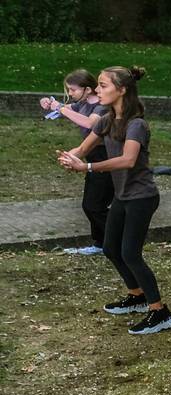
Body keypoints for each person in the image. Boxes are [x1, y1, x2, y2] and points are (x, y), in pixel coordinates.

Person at [56, 66, 171, 335]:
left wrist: (87, 167)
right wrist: (71, 157)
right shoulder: (106, 120)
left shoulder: (136, 125)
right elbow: (84, 147)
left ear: (122, 90)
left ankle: (160, 312)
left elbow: (128, 160)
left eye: (103, 85)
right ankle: (137, 296)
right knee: (111, 248)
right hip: (123, 196)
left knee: (130, 253)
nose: (97, 90)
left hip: (142, 197)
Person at [40, 69, 114, 256]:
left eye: (72, 90)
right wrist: (48, 103)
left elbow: (90, 123)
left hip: (106, 159)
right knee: (91, 205)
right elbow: (66, 110)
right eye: (68, 90)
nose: (70, 93)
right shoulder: (83, 103)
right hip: (93, 157)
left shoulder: (102, 107)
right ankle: (102, 244)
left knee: (94, 206)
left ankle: (116, 243)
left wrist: (61, 108)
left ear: (87, 89)